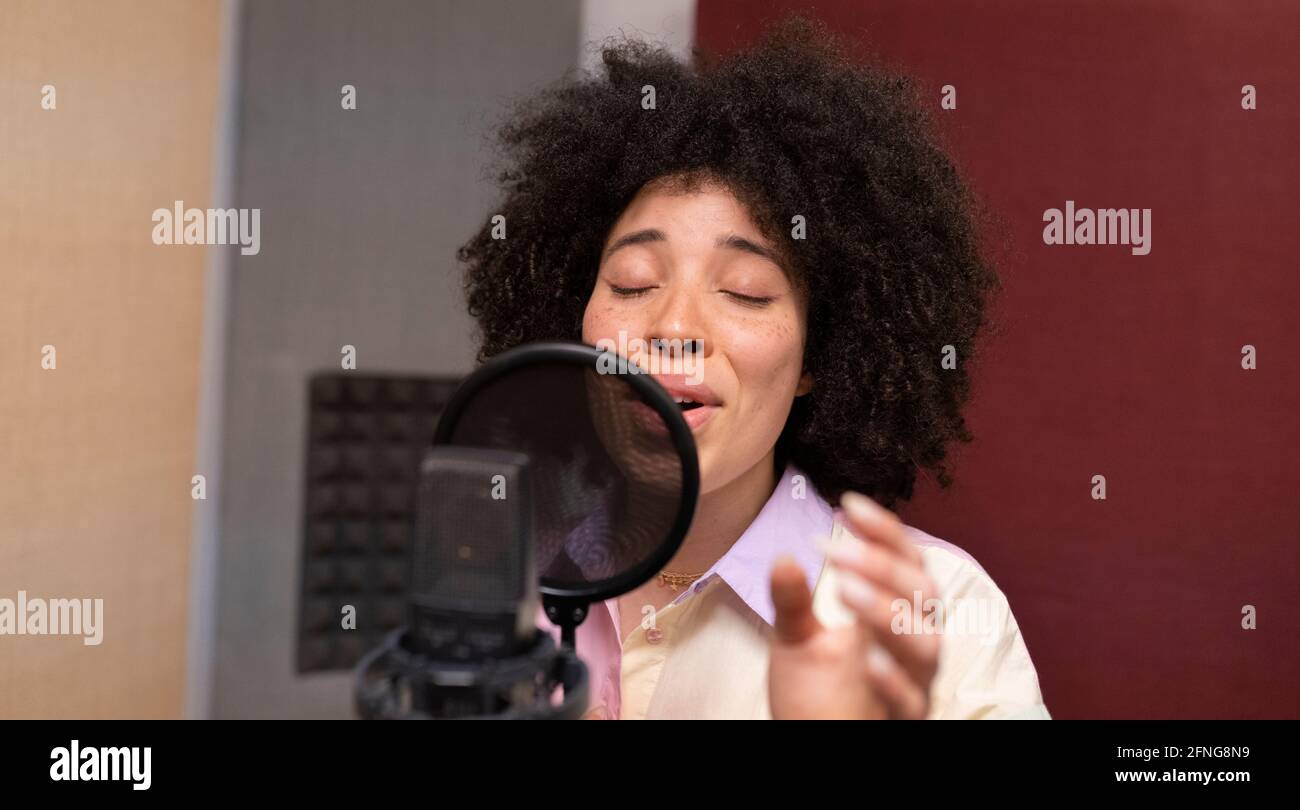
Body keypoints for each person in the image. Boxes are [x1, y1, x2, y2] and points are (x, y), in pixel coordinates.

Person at [457, 17, 1048, 719]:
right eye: (632, 282)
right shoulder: (494, 587)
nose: (673, 328)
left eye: (743, 292)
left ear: (814, 358)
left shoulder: (938, 614)